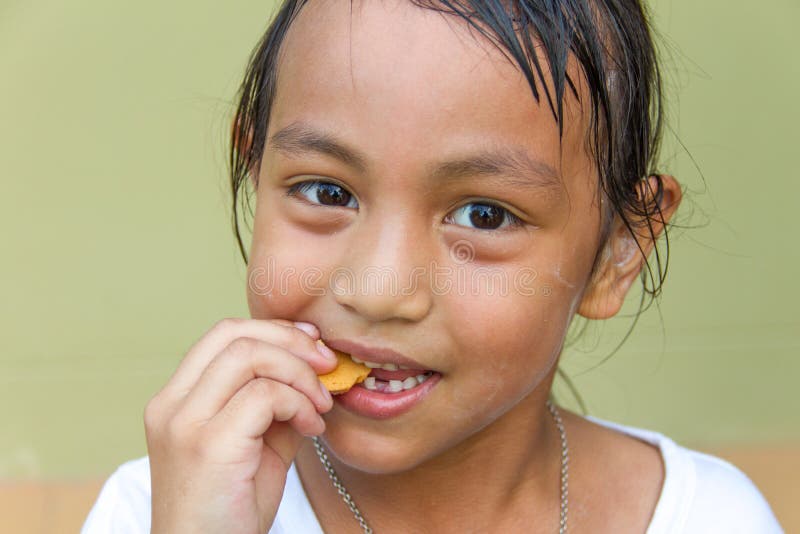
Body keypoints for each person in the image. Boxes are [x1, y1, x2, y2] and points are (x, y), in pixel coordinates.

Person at [81, 0, 784, 532]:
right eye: (328, 192)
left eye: (485, 215)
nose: (380, 290)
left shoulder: (709, 518)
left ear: (617, 252)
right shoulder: (158, 512)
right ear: (253, 167)